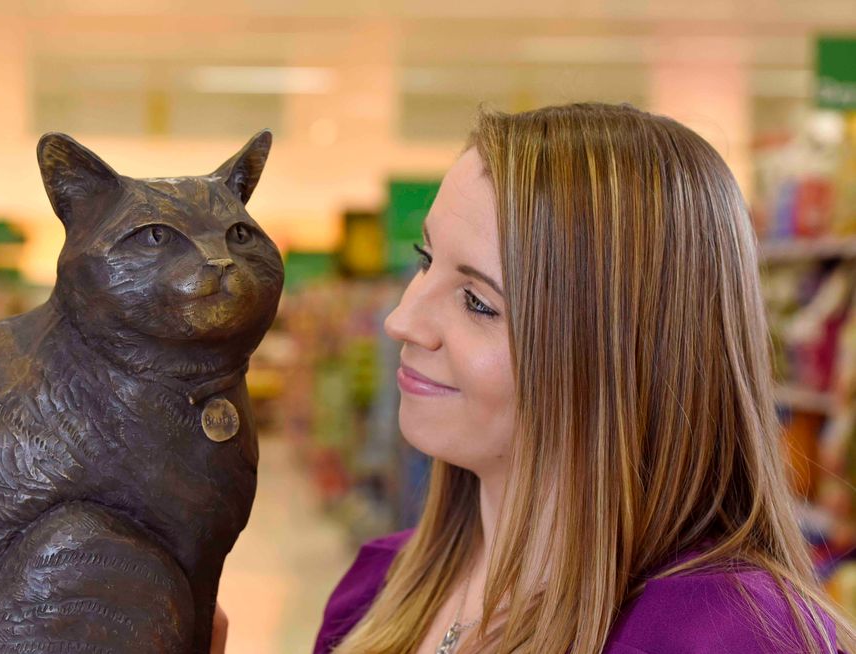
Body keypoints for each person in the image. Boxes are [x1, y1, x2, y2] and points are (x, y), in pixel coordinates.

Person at [226, 102, 856, 653]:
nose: (401, 320)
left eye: (477, 302)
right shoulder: (379, 585)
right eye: (426, 261)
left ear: (618, 354)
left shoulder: (731, 636)